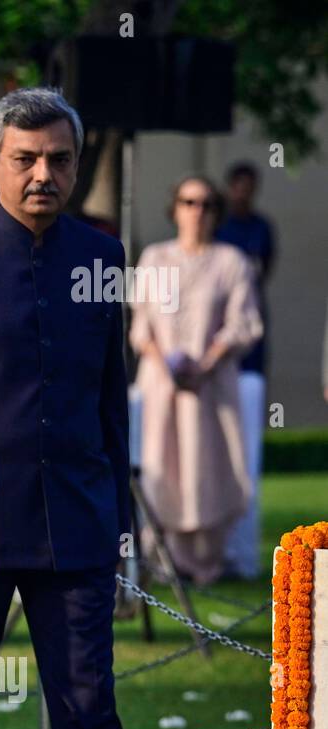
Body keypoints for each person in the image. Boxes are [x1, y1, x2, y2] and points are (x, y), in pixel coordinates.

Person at [0, 88, 129, 729]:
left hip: (76, 523)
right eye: (26, 159)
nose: (44, 174)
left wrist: (120, 522)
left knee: (90, 714)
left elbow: (111, 397)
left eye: (59, 160)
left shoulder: (103, 257)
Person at [130, 174, 262, 587]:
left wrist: (205, 364)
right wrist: (166, 366)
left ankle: (206, 560)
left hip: (211, 387)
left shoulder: (231, 261)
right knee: (159, 463)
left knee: (206, 467)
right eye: (189, 202)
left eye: (206, 204)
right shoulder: (155, 258)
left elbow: (244, 324)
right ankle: (157, 559)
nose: (197, 212)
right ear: (176, 209)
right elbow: (141, 328)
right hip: (161, 385)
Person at [215, 162, 276, 579]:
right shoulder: (218, 232)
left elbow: (259, 279)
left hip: (245, 362)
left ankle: (240, 551)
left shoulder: (262, 228)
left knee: (243, 456)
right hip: (208, 372)